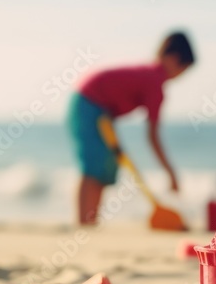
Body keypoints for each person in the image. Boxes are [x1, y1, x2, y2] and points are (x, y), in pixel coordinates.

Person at [68, 31, 194, 225]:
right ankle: (84, 224)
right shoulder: (155, 83)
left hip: (97, 107)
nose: (180, 77)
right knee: (95, 164)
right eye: (183, 70)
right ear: (174, 59)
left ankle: (90, 221)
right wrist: (170, 173)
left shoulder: (150, 75)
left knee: (106, 163)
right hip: (89, 104)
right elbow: (153, 136)